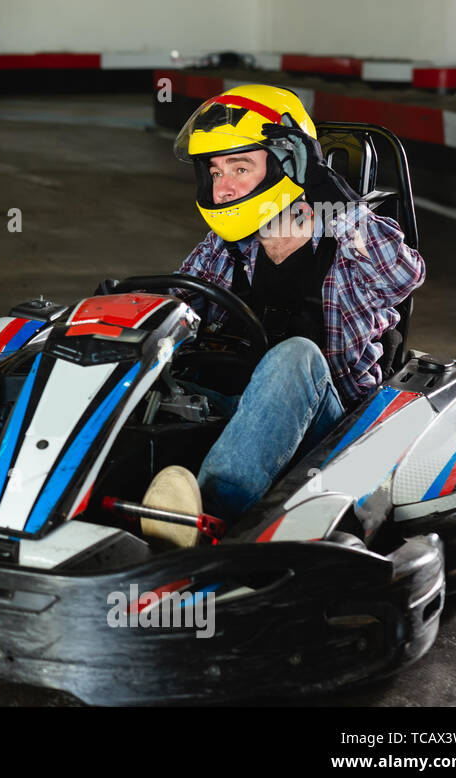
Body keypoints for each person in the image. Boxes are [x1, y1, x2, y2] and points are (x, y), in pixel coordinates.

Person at [138, 84, 426, 545]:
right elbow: (173, 305)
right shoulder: (227, 244)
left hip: (331, 432)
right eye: (215, 171)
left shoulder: (343, 236)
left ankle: (209, 515)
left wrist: (340, 202)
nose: (224, 186)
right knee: (134, 360)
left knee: (295, 356)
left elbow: (402, 276)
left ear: (287, 166)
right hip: (235, 405)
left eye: (240, 167)